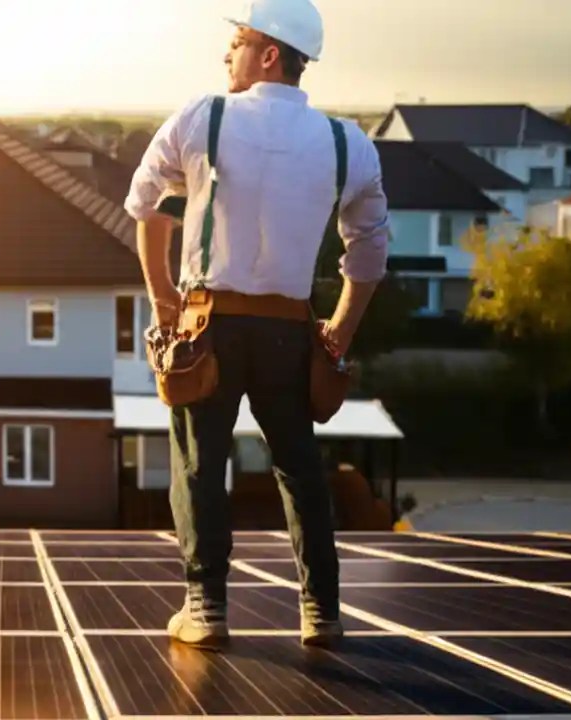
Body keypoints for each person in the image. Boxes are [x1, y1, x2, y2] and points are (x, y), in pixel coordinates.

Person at [124, 0, 390, 648]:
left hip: (208, 327)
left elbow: (146, 208)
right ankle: (321, 614)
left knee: (198, 467)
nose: (227, 54)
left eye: (237, 41)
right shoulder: (345, 142)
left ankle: (206, 611)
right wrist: (340, 332)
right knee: (301, 471)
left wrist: (165, 306)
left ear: (269, 53)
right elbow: (371, 248)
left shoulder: (200, 117)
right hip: (286, 335)